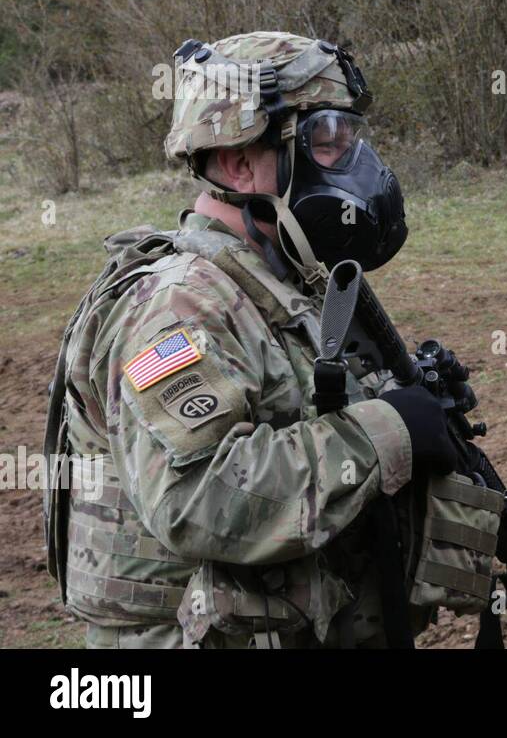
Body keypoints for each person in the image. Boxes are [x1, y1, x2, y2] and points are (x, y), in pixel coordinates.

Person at [43, 32, 464, 648]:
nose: (352, 166)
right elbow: (198, 494)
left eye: (349, 141)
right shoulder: (178, 305)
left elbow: (297, 414)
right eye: (326, 143)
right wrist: (387, 432)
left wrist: (403, 394)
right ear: (241, 162)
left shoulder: (273, 278)